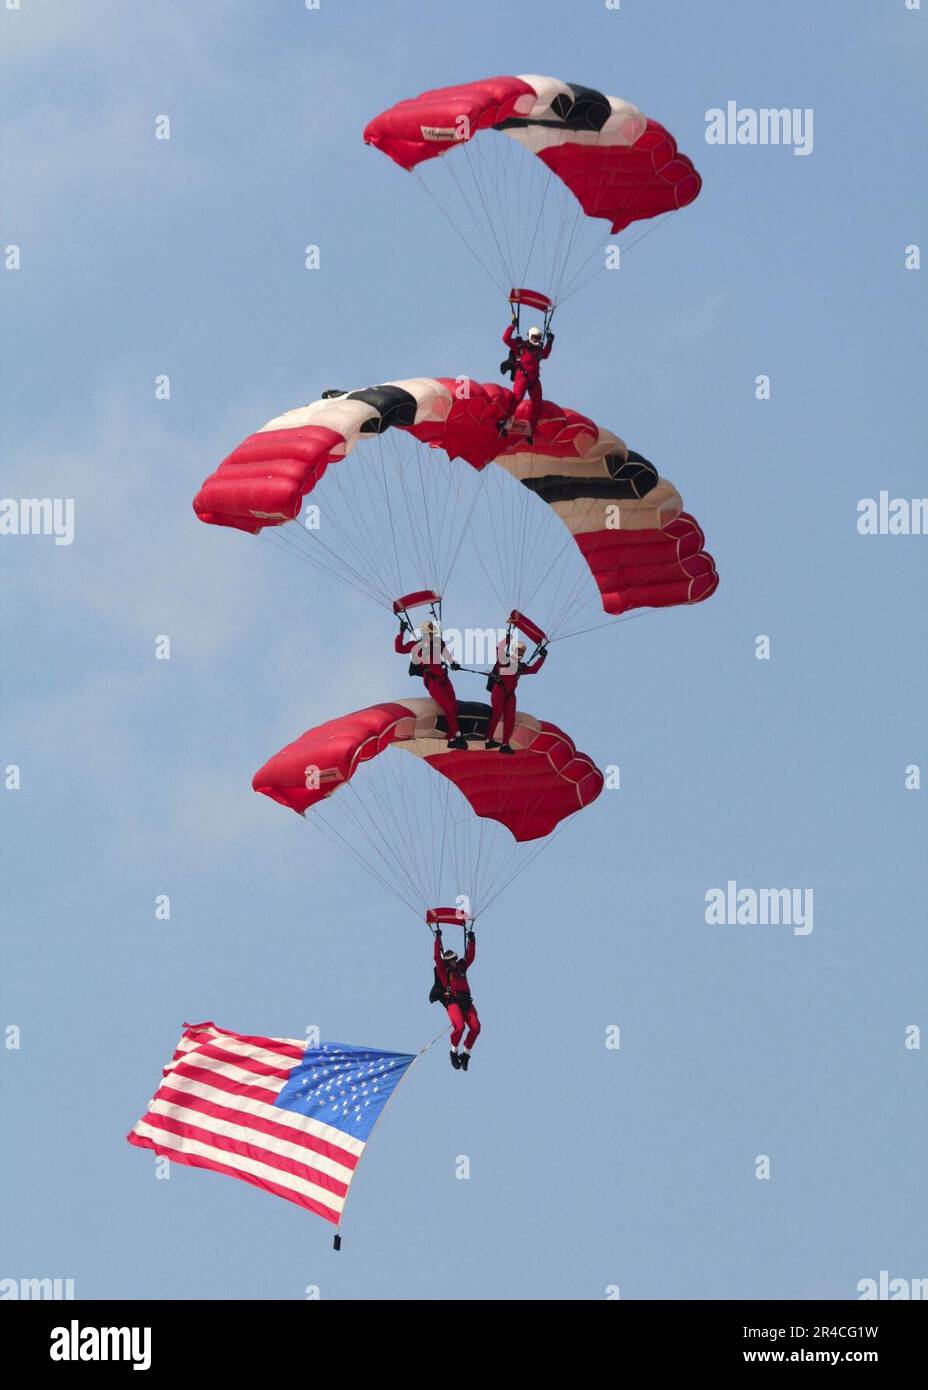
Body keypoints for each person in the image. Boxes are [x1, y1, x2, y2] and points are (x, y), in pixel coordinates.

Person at [395, 618, 467, 750]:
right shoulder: (416, 645)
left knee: (454, 708)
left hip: (444, 678)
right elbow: (399, 649)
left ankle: (453, 736)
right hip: (432, 680)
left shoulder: (439, 643)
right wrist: (401, 632)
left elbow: (448, 657)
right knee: (448, 708)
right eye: (429, 633)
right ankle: (458, 736)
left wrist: (453, 664)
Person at [485, 637, 547, 753]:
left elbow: (534, 669)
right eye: (519, 650)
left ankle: (505, 744)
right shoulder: (504, 659)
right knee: (497, 713)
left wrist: (542, 657)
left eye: (522, 651)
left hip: (510, 694)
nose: (521, 653)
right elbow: (499, 649)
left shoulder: (521, 666)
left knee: (510, 718)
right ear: (514, 650)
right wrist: (506, 640)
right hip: (499, 689)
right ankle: (488, 739)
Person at [499, 315, 554, 442]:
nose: (537, 339)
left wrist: (549, 342)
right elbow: (505, 339)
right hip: (522, 377)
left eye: (539, 338)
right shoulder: (520, 346)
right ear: (529, 336)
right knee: (517, 399)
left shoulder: (539, 350)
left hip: (534, 381)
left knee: (537, 405)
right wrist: (512, 325)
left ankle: (530, 431)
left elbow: (545, 354)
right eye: (535, 337)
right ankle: (504, 423)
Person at [433, 927, 480, 1070]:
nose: (454, 962)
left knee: (476, 1028)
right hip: (453, 1002)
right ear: (447, 962)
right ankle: (454, 1052)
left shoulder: (461, 968)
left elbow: (470, 957)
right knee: (459, 1027)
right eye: (451, 960)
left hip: (466, 1002)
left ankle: (465, 1055)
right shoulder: (443, 971)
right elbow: (436, 957)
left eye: (454, 959)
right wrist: (438, 939)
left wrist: (472, 941)